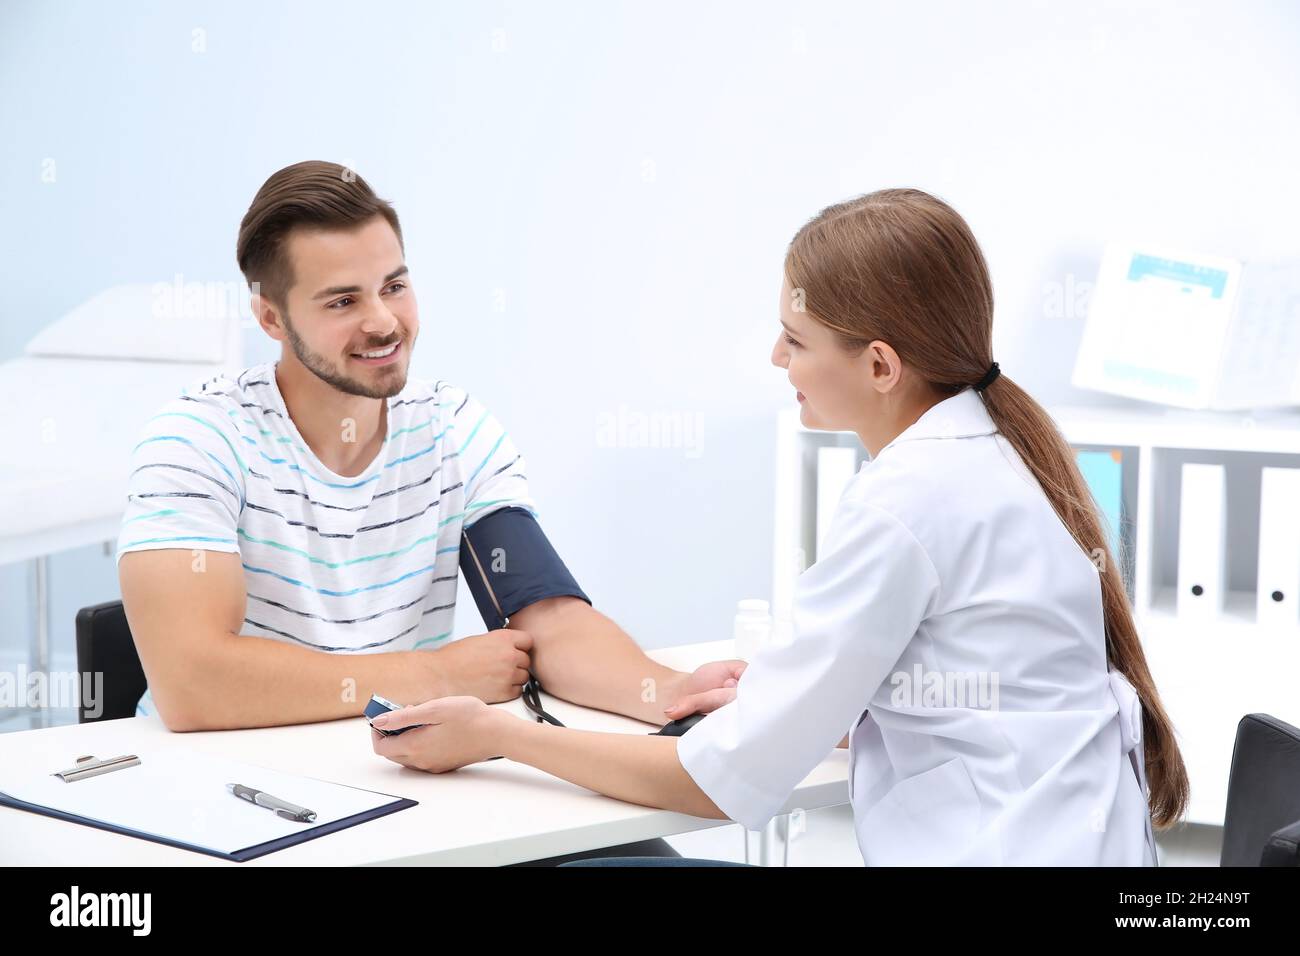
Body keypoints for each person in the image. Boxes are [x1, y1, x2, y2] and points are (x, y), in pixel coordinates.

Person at [368, 188, 1189, 866]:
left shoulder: (906, 499)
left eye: (794, 341)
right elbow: (993, 676)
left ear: (878, 365)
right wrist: (827, 699)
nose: (774, 358)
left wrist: (500, 739)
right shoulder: (1001, 451)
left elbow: (719, 783)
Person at [116, 161, 744, 863]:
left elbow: (548, 619)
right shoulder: (197, 440)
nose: (383, 321)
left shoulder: (451, 425)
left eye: (394, 286)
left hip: (421, 787)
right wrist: (437, 676)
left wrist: (667, 692)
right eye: (341, 301)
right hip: (241, 805)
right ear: (271, 316)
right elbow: (193, 684)